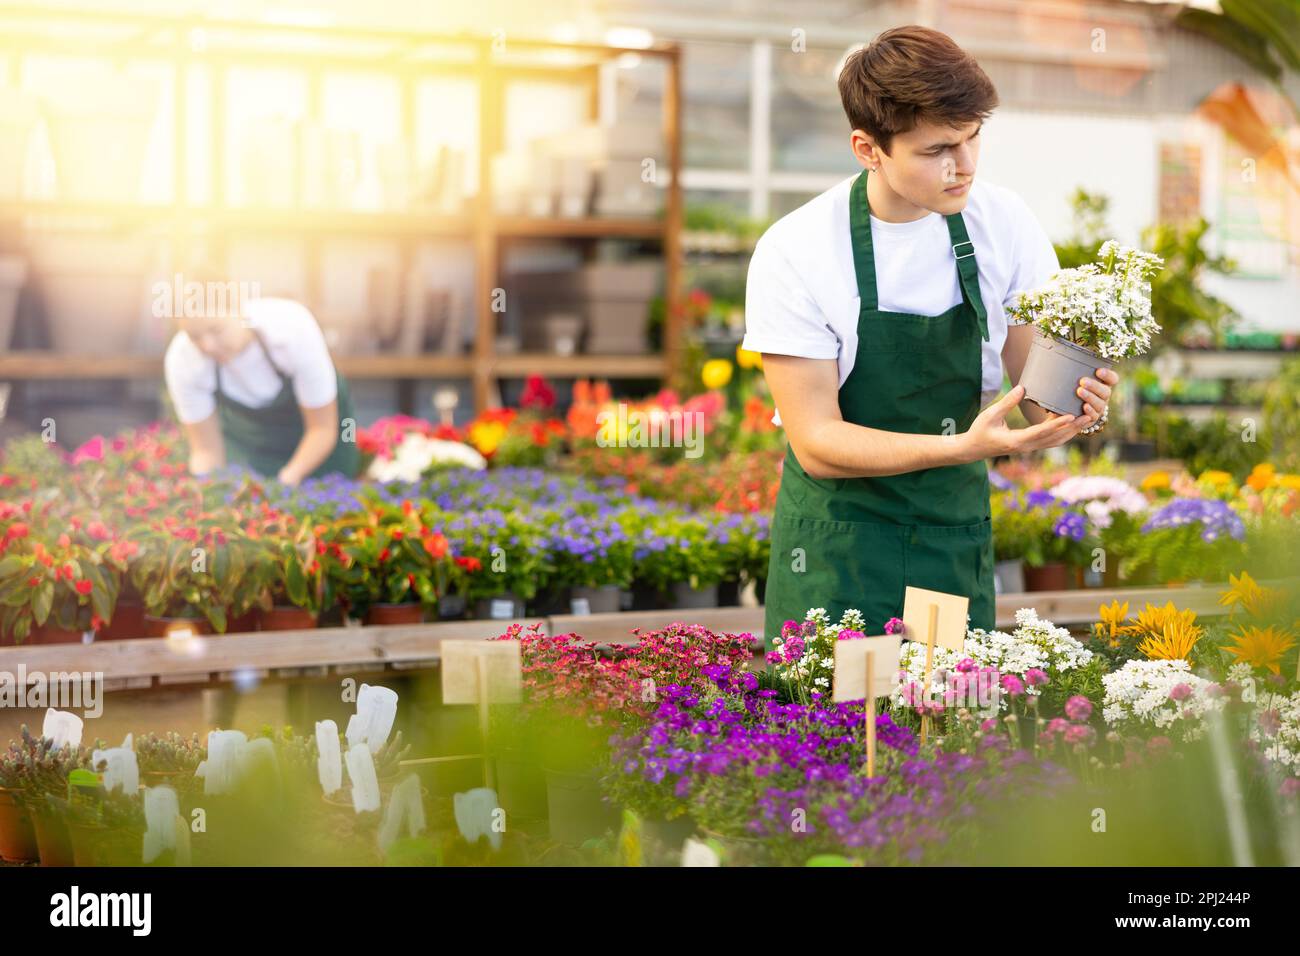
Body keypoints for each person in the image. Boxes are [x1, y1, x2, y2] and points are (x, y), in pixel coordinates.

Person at [744, 26, 1118, 642]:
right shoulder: (798, 249)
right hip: (838, 547)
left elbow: (1035, 398)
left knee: (953, 724)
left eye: (973, 139)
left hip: (952, 535)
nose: (963, 166)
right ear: (868, 149)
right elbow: (816, 442)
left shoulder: (1004, 224)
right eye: (937, 149)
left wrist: (1079, 403)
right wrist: (959, 449)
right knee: (832, 731)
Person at [164, 290, 358, 485]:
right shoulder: (183, 360)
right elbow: (205, 450)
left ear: (239, 307)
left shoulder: (292, 326)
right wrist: (207, 490)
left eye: (216, 330)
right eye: (195, 337)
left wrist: (286, 482)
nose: (208, 346)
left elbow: (322, 429)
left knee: (338, 480)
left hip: (330, 430)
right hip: (257, 442)